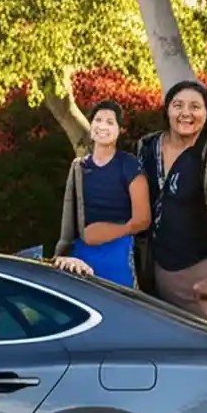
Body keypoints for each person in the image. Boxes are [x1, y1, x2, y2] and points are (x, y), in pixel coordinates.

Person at [135, 80, 207, 331]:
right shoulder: (146, 148)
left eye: (195, 107)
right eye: (178, 105)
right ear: (167, 110)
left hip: (193, 280)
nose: (185, 113)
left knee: (191, 353)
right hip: (147, 271)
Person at [53, 100, 150, 287]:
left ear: (119, 130)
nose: (102, 126)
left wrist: (104, 232)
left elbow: (143, 219)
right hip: (81, 255)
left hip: (118, 253)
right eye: (98, 120)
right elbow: (68, 218)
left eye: (110, 122)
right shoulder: (79, 167)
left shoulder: (129, 165)